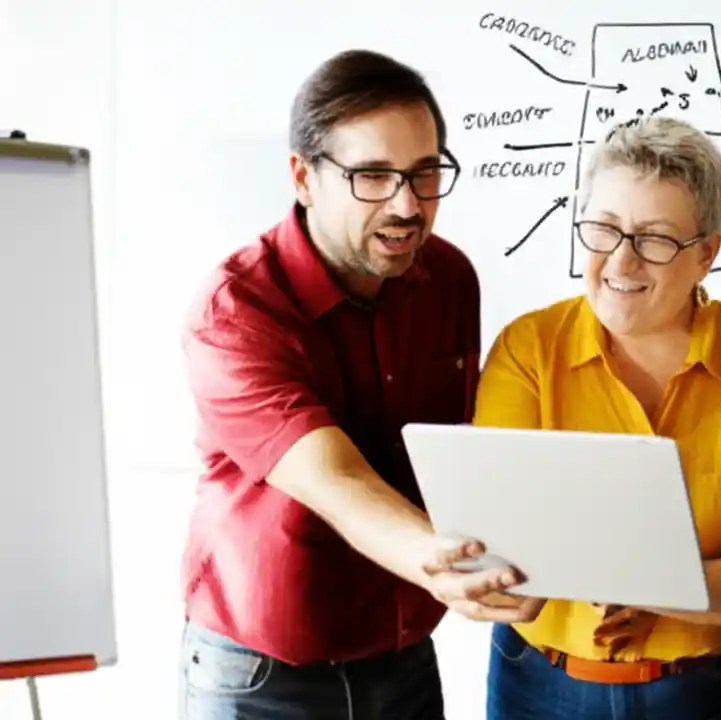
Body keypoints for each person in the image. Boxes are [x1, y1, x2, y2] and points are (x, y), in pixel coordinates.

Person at [178, 49, 541, 719]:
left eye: (425, 173)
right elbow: (335, 480)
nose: (407, 205)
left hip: (401, 656)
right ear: (304, 177)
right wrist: (444, 561)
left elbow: (455, 451)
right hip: (263, 675)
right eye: (373, 175)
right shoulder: (235, 311)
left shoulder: (448, 278)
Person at [470, 115, 721, 720]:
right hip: (538, 684)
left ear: (707, 254)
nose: (622, 260)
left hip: (713, 689)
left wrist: (651, 584)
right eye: (604, 229)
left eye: (655, 238)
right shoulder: (527, 349)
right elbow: (501, 532)